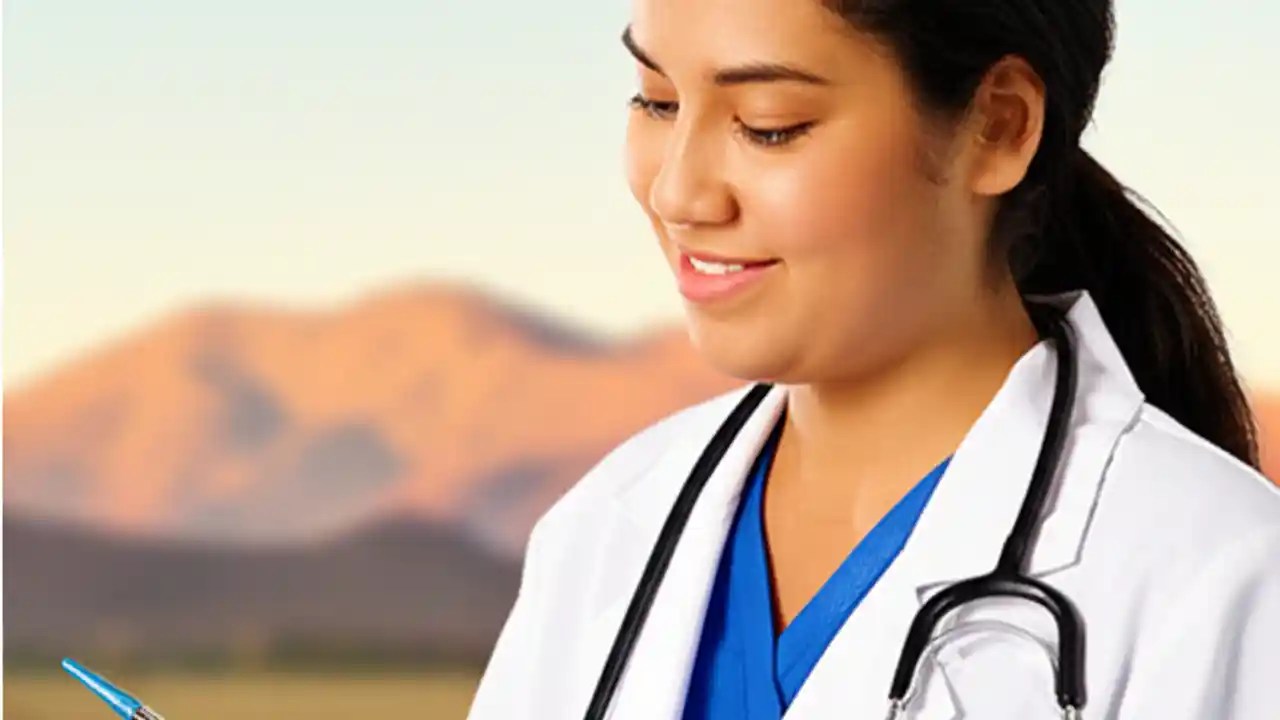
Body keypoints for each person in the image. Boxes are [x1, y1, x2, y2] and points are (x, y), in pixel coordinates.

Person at [467, 0, 1280, 717]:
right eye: (658, 101)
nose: (678, 193)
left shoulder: (1217, 579)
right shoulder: (602, 533)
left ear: (998, 126)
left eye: (768, 122)